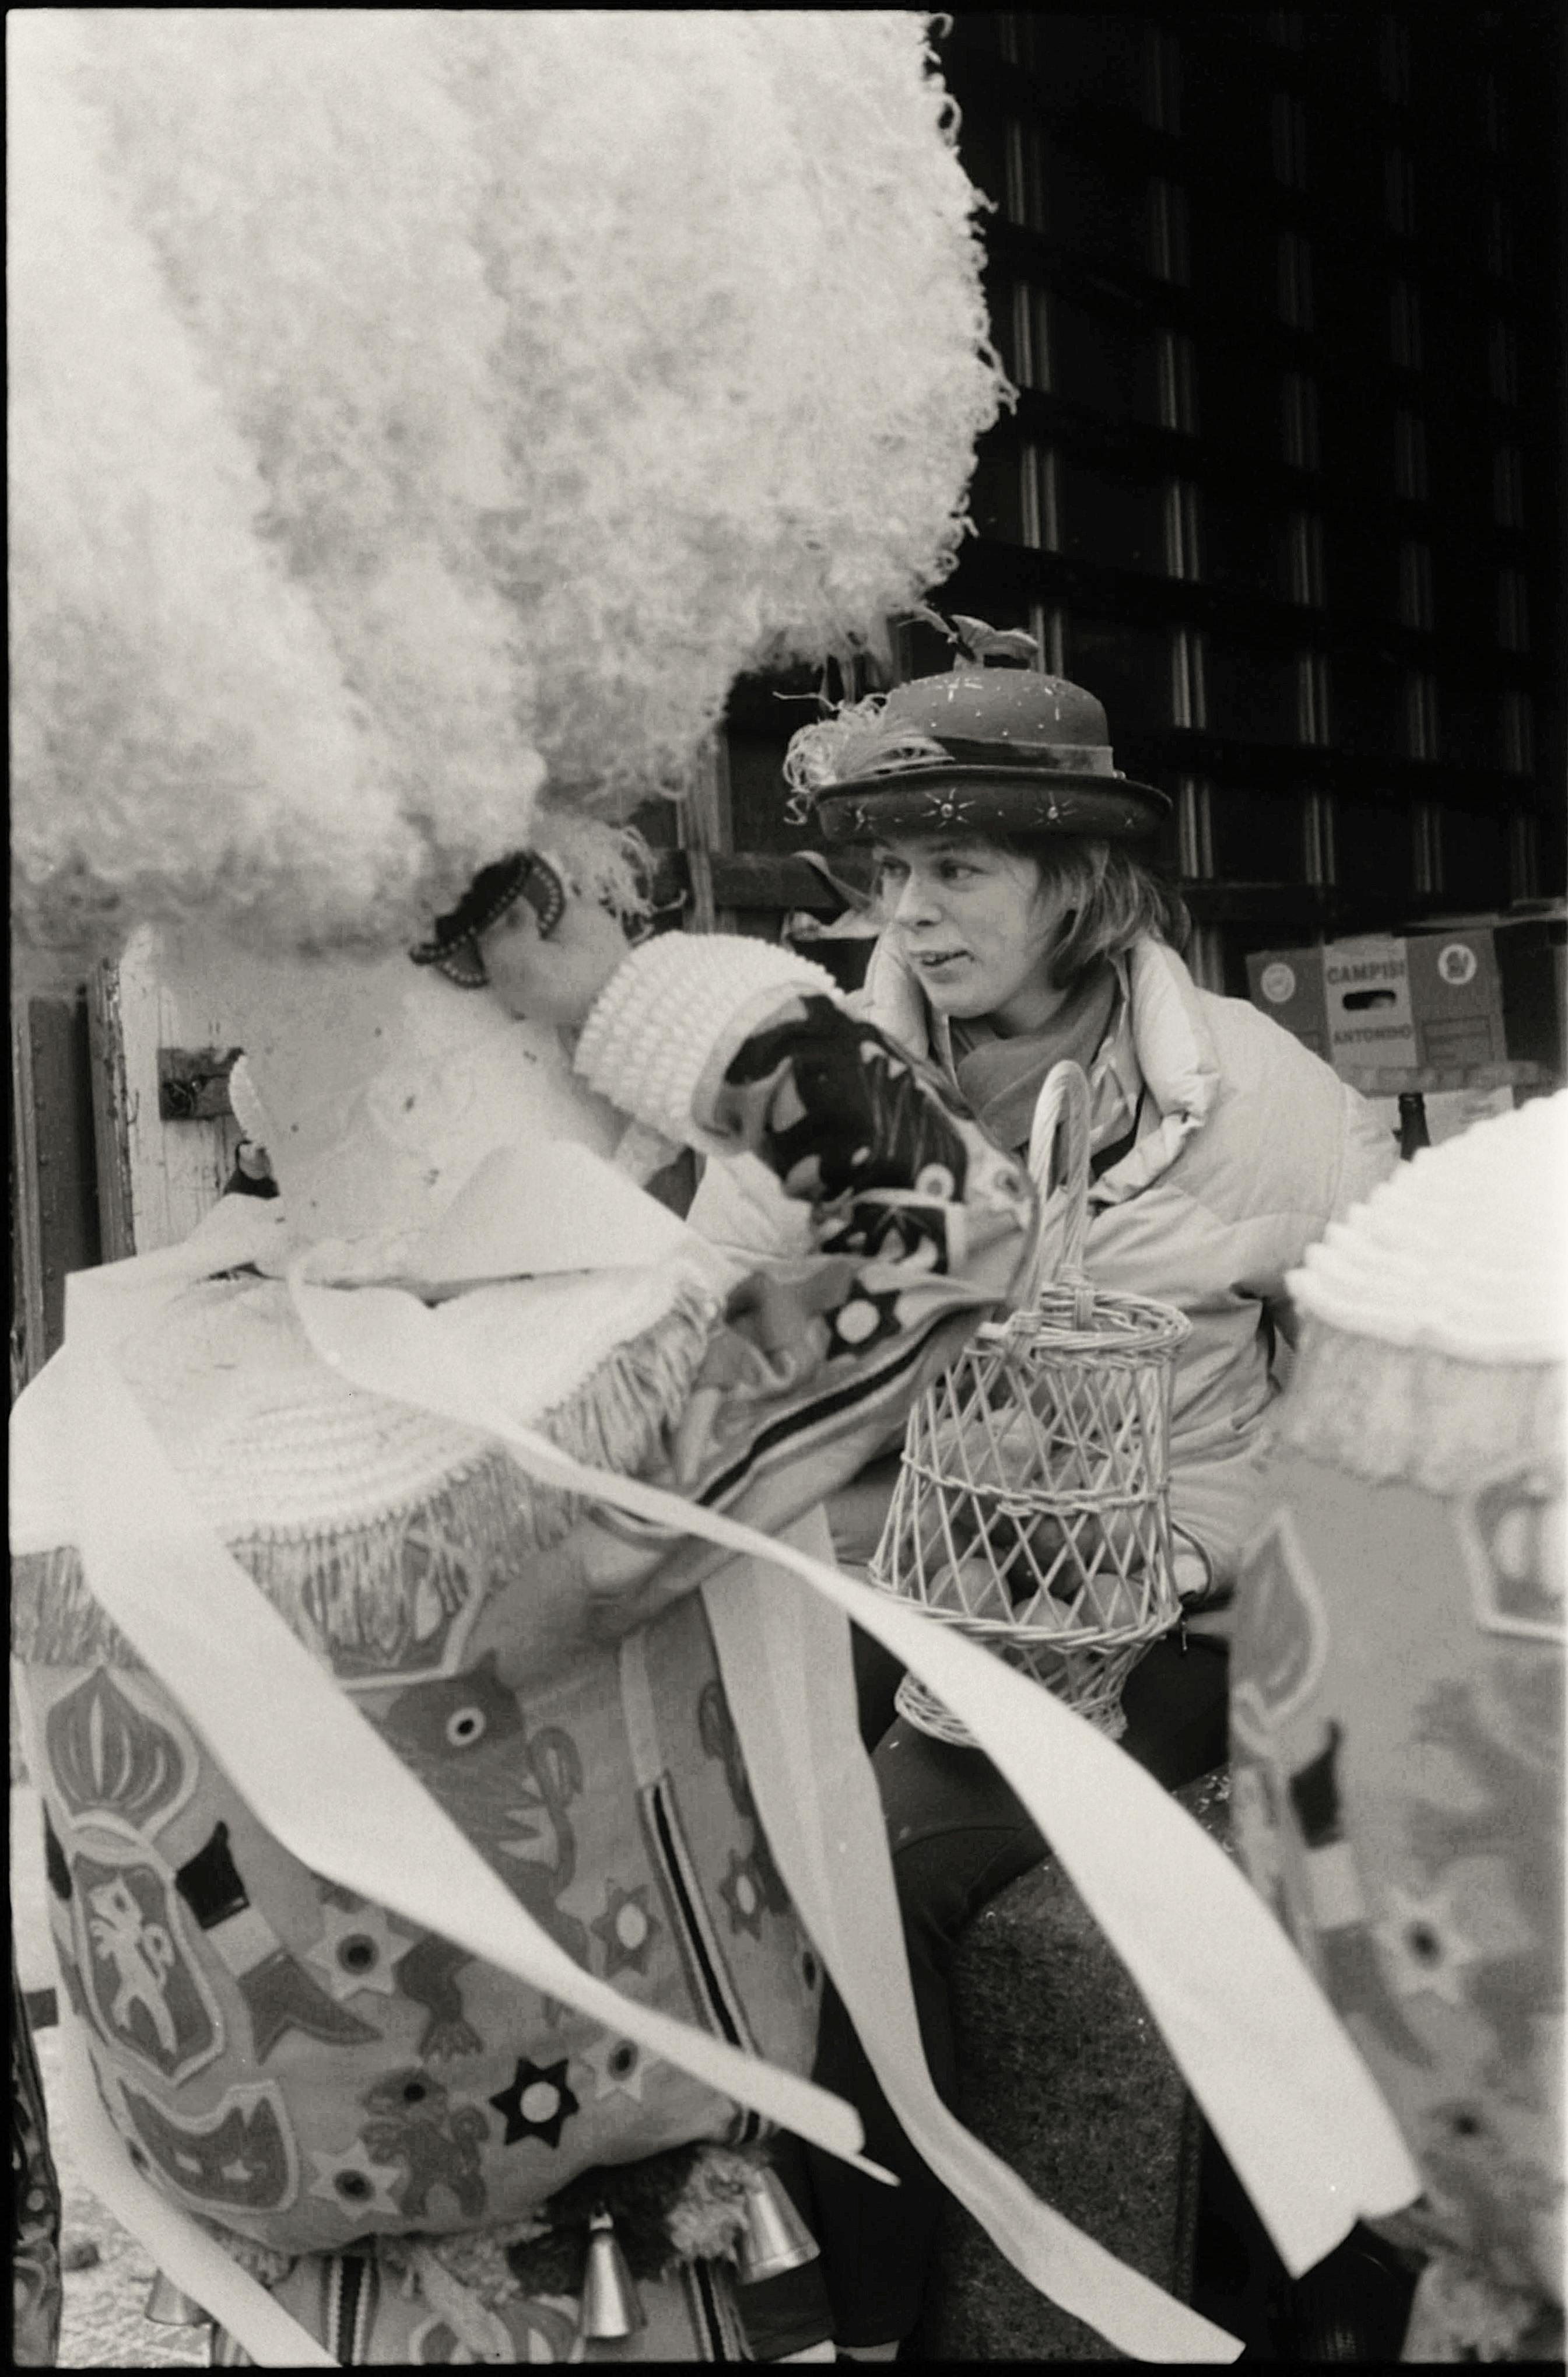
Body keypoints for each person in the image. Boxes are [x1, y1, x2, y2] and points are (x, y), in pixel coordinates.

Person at [689, 633, 1399, 2354]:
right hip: (889, 1574)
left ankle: (886, 2322)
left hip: (1156, 1612)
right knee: (705, 1802)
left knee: (873, 1855)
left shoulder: (1259, 1102)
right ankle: (754, 2256)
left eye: (958, 867)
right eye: (890, 871)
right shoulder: (825, 1082)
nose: (912, 911)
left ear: (1075, 880)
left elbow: (1391, 1377)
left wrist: (1223, 1561)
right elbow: (714, 1340)